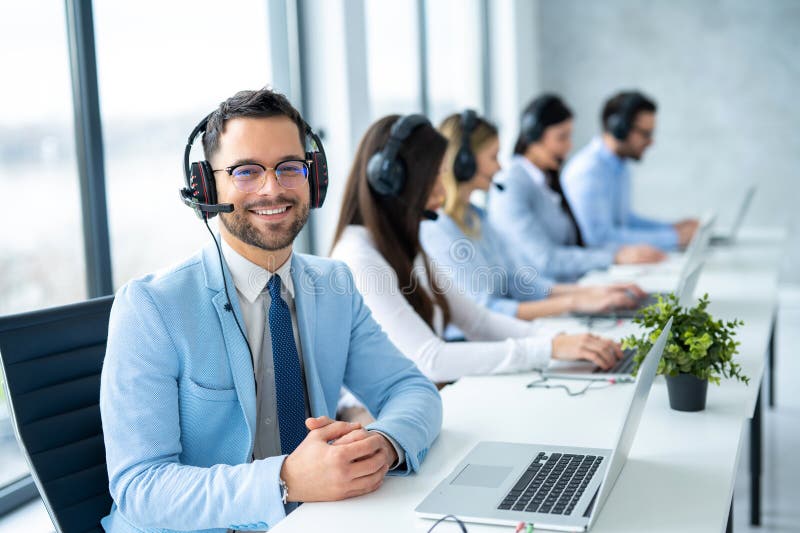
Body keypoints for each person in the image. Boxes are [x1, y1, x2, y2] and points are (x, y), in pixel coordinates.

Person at [100, 89, 441, 533]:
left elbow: (412, 389)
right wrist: (285, 481)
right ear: (207, 187)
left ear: (313, 177)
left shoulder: (333, 284)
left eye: (289, 167)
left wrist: (384, 444)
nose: (272, 188)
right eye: (246, 171)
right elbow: (140, 488)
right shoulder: (151, 308)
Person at [329, 114, 625, 386]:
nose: (442, 191)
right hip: (372, 422)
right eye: (432, 178)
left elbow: (478, 320)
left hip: (421, 398)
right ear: (392, 180)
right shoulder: (359, 258)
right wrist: (548, 348)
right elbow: (431, 359)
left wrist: (564, 340)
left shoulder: (403, 247)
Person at [421, 109, 647, 333]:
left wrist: (591, 292)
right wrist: (573, 303)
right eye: (493, 157)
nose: (499, 167)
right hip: (472, 347)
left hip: (502, 336)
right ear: (464, 162)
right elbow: (484, 310)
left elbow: (516, 282)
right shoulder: (438, 229)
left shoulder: (476, 217)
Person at [486, 94, 667, 282]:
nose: (569, 146)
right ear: (534, 135)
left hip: (570, 287)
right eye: (561, 137)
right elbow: (545, 259)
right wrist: (614, 257)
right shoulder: (511, 186)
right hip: (545, 298)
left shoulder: (545, 182)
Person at [562, 90, 699, 251]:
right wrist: (675, 238)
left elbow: (625, 221)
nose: (651, 142)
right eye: (645, 134)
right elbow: (599, 238)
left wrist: (672, 228)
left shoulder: (619, 166)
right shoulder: (588, 171)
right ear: (619, 128)